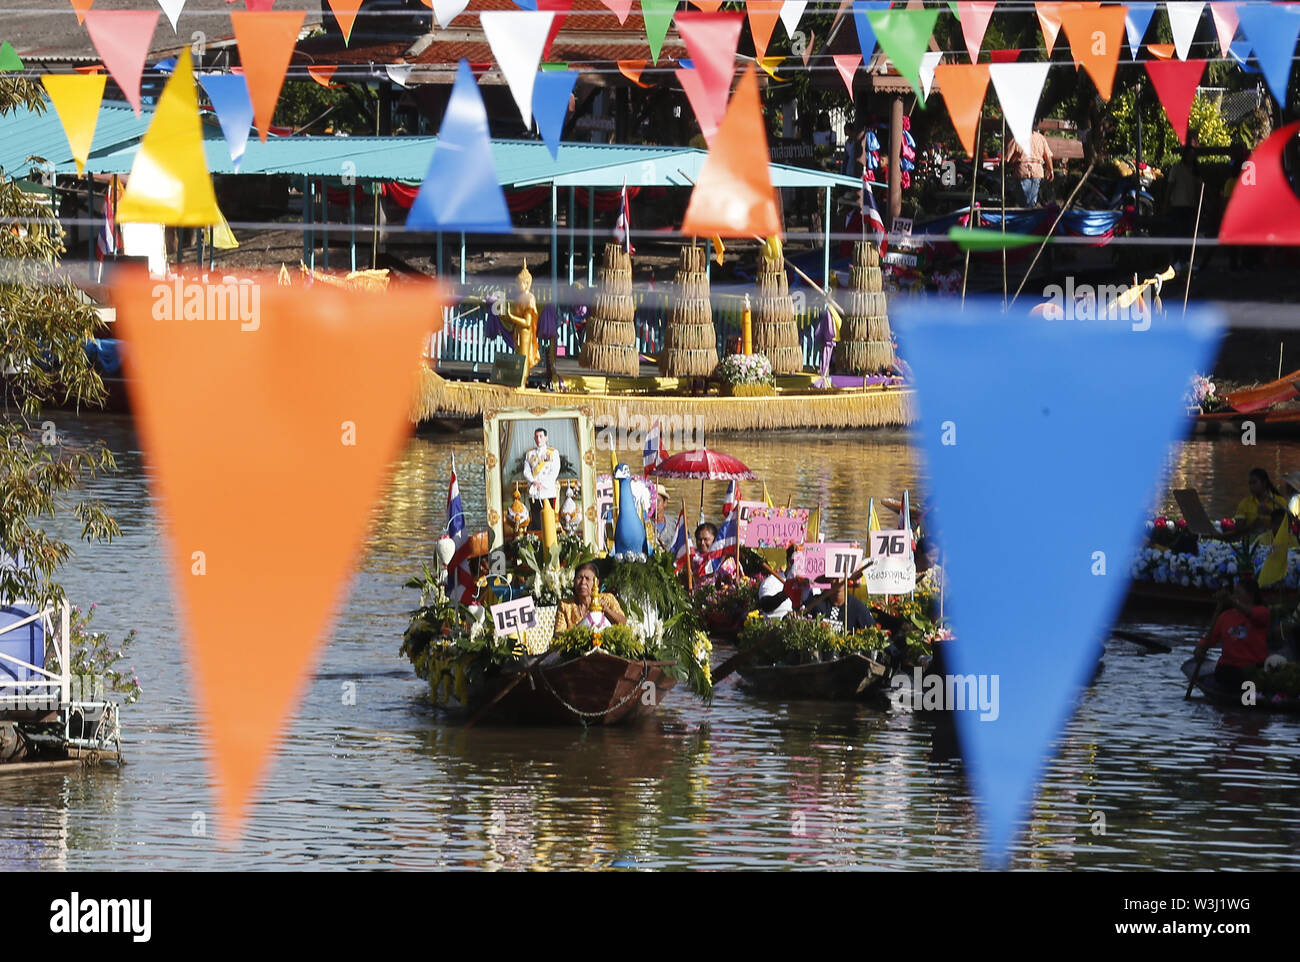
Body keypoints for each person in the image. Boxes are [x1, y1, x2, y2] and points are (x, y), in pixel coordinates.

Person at [1194, 577, 1269, 690]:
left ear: (1250, 595)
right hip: (1228, 668)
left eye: (1238, 593)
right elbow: (1210, 638)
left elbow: (1249, 613)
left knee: (1249, 678)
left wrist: (1231, 601)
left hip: (1253, 668)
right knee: (1226, 675)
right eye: (1234, 593)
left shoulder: (1262, 612)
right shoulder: (1225, 616)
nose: (1235, 596)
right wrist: (1199, 648)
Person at [556, 561, 627, 632]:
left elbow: (625, 623)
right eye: (580, 578)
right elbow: (558, 634)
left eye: (587, 578)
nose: (583, 582)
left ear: (596, 582)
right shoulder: (565, 605)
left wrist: (607, 611)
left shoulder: (608, 599)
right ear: (574, 581)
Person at [502, 261, 540, 387]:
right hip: (518, 332)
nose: (517, 285)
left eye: (519, 283)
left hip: (525, 333)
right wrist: (504, 316)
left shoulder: (529, 298)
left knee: (523, 360)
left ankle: (523, 383)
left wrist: (512, 317)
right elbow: (515, 319)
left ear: (527, 283)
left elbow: (527, 322)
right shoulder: (519, 298)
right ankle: (518, 382)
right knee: (518, 359)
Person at [1005, 121, 1054, 207]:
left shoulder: (1017, 138)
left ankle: (1026, 215)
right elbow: (1048, 156)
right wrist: (1051, 170)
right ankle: (1030, 214)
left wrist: (1012, 161)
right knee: (1032, 200)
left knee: (1024, 201)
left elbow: (1007, 159)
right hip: (1037, 171)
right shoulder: (1041, 138)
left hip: (1022, 171)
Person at [1234, 468, 1288, 543]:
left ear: (1264, 483)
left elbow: (1288, 525)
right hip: (1252, 543)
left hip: (1276, 542)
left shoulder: (1280, 501)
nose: (1251, 487)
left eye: (1254, 483)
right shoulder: (1245, 503)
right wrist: (1254, 524)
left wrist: (1271, 513)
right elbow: (1237, 530)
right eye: (1250, 483)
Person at [523, 427, 561, 532]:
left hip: (547, 491)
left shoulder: (553, 453)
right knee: (536, 521)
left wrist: (542, 484)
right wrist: (534, 482)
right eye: (536, 436)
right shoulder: (530, 454)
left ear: (546, 438)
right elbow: (526, 471)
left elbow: (554, 471)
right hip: (534, 492)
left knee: (549, 521)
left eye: (541, 436)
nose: (538, 439)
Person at [757, 545, 810, 619]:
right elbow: (765, 606)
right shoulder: (771, 581)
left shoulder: (811, 586)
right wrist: (784, 594)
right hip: (776, 627)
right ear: (790, 562)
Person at [806, 578, 875, 633]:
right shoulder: (815, 603)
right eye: (834, 577)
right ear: (828, 579)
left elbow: (872, 632)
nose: (838, 581)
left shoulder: (858, 608)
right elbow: (800, 621)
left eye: (842, 577)